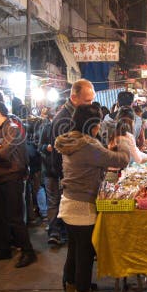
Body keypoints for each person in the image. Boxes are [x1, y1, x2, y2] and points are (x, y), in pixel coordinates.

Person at [55, 104, 132, 292]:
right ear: (94, 125)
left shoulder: (71, 140)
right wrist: (123, 145)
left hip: (68, 202)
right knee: (84, 259)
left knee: (74, 253)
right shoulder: (87, 144)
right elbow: (120, 161)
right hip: (82, 207)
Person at [40, 79, 96, 246]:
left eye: (92, 100)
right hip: (68, 179)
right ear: (74, 97)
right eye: (87, 101)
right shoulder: (63, 120)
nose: (90, 104)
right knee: (77, 240)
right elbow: (60, 157)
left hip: (72, 179)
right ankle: (57, 232)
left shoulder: (75, 115)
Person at [0, 102, 35, 268]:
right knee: (2, 216)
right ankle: (4, 250)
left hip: (13, 176)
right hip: (1, 176)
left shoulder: (12, 128)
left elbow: (3, 153)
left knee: (15, 217)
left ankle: (28, 251)